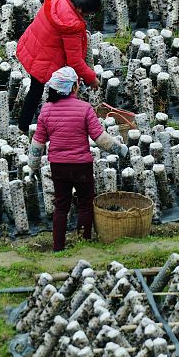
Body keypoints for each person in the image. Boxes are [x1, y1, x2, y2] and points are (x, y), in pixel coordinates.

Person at [28, 66, 127, 251]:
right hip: (82, 165)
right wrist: (120, 149)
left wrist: (32, 167)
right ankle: (84, 244)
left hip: (59, 166)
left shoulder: (47, 110)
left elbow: (37, 144)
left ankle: (58, 247)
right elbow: (100, 139)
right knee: (85, 204)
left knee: (61, 206)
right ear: (74, 87)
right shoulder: (84, 108)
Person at [16, 0, 102, 132]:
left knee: (35, 90)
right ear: (80, 9)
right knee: (57, 95)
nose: (90, 16)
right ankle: (53, 129)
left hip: (34, 48)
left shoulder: (57, 0)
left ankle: (23, 126)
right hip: (46, 61)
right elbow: (74, 61)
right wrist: (91, 78)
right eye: (90, 12)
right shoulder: (72, 25)